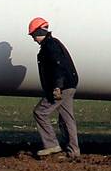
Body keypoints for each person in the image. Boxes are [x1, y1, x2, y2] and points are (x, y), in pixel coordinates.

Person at [28, 17, 80, 158]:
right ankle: (73, 151)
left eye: (33, 35)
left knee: (40, 112)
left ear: (39, 32)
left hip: (62, 87)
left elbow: (58, 66)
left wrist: (57, 87)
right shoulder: (53, 44)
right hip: (69, 84)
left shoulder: (49, 46)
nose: (33, 39)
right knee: (66, 118)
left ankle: (51, 145)